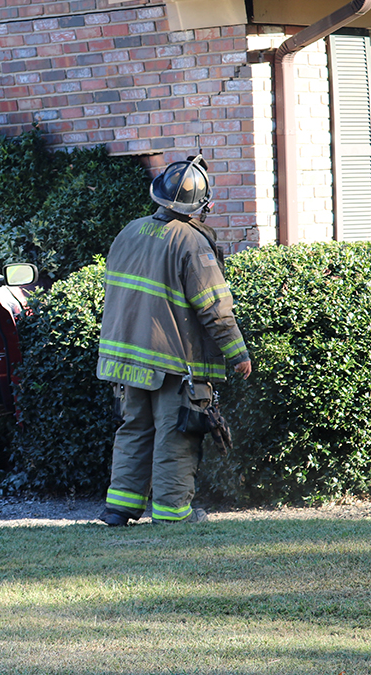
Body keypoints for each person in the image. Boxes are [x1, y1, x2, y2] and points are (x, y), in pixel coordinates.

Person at [96, 155, 253, 527]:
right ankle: (172, 512)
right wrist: (238, 353)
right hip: (174, 360)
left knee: (134, 427)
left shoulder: (129, 231)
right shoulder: (192, 243)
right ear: (202, 205)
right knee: (176, 431)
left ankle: (119, 509)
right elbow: (214, 306)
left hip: (128, 358)